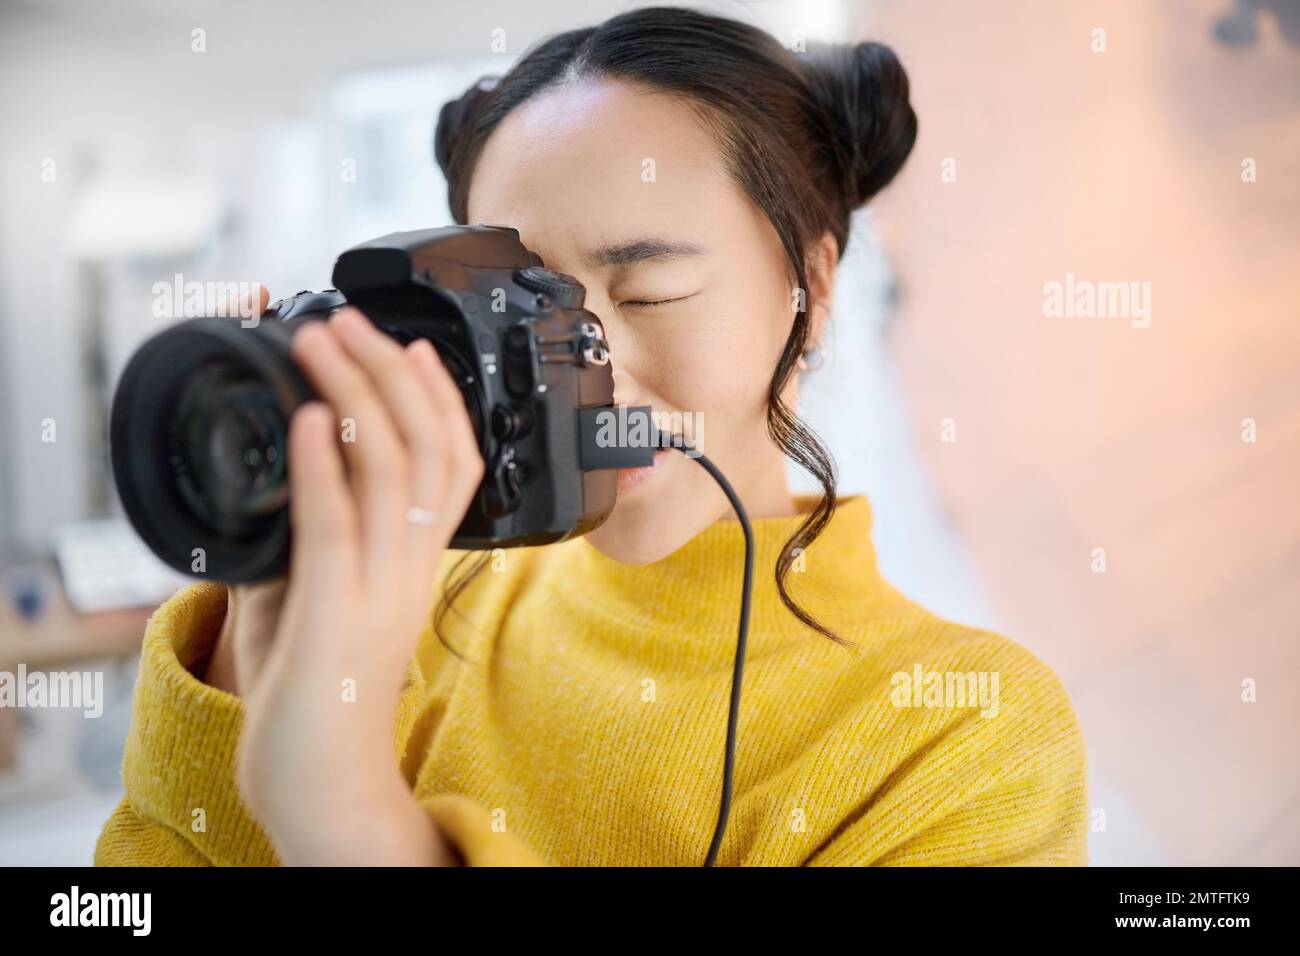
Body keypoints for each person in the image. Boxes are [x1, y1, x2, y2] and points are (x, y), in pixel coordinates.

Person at [95, 6, 1087, 866]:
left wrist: (347, 815)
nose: (582, 370)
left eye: (648, 288)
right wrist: (242, 664)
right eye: (518, 310)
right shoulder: (394, 607)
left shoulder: (963, 731)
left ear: (810, 288)